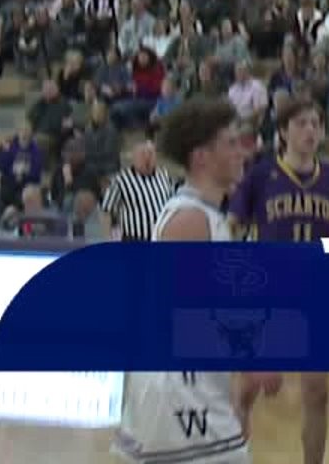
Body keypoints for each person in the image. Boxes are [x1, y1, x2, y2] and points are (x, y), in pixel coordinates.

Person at [114, 99, 274, 464]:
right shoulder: (189, 218)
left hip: (192, 387)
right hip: (177, 391)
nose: (242, 152)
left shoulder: (207, 215)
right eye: (231, 144)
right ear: (202, 157)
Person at [228, 96, 329, 464]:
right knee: (250, 389)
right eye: (301, 123)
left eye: (316, 123)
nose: (310, 130)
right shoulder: (260, 176)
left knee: (317, 393)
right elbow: (231, 227)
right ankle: (232, 455)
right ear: (283, 131)